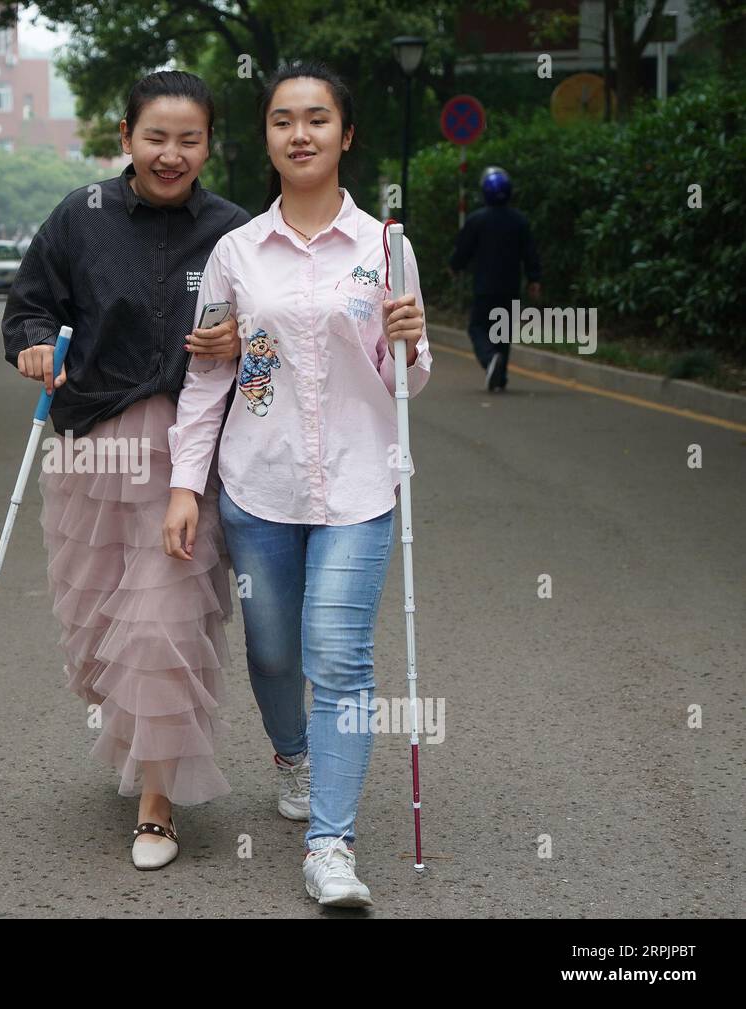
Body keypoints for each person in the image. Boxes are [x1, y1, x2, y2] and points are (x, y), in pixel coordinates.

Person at [163, 61, 430, 907]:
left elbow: (408, 382)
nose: (302, 134)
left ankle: (331, 844)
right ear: (268, 139)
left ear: (346, 135)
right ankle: (291, 751)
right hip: (258, 485)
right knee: (274, 650)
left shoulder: (386, 247)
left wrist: (412, 343)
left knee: (340, 657)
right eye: (284, 120)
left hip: (359, 484)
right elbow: (211, 375)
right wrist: (183, 482)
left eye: (319, 119)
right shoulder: (235, 253)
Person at [1, 71, 250, 870]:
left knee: (165, 619)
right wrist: (35, 343)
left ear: (210, 143)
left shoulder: (236, 231)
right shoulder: (82, 214)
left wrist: (242, 340)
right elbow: (28, 306)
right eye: (156, 137)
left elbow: (281, 335)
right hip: (93, 449)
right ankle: (141, 738)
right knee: (100, 630)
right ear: (126, 138)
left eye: (190, 139)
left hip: (192, 452)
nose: (172, 154)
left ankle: (156, 804)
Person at [449, 165, 542, 391]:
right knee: (503, 331)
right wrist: (534, 279)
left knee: (477, 328)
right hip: (510, 287)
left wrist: (454, 267)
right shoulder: (519, 221)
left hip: (485, 288)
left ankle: (490, 358)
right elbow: (530, 253)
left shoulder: (476, 220)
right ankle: (499, 378)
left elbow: (463, 250)